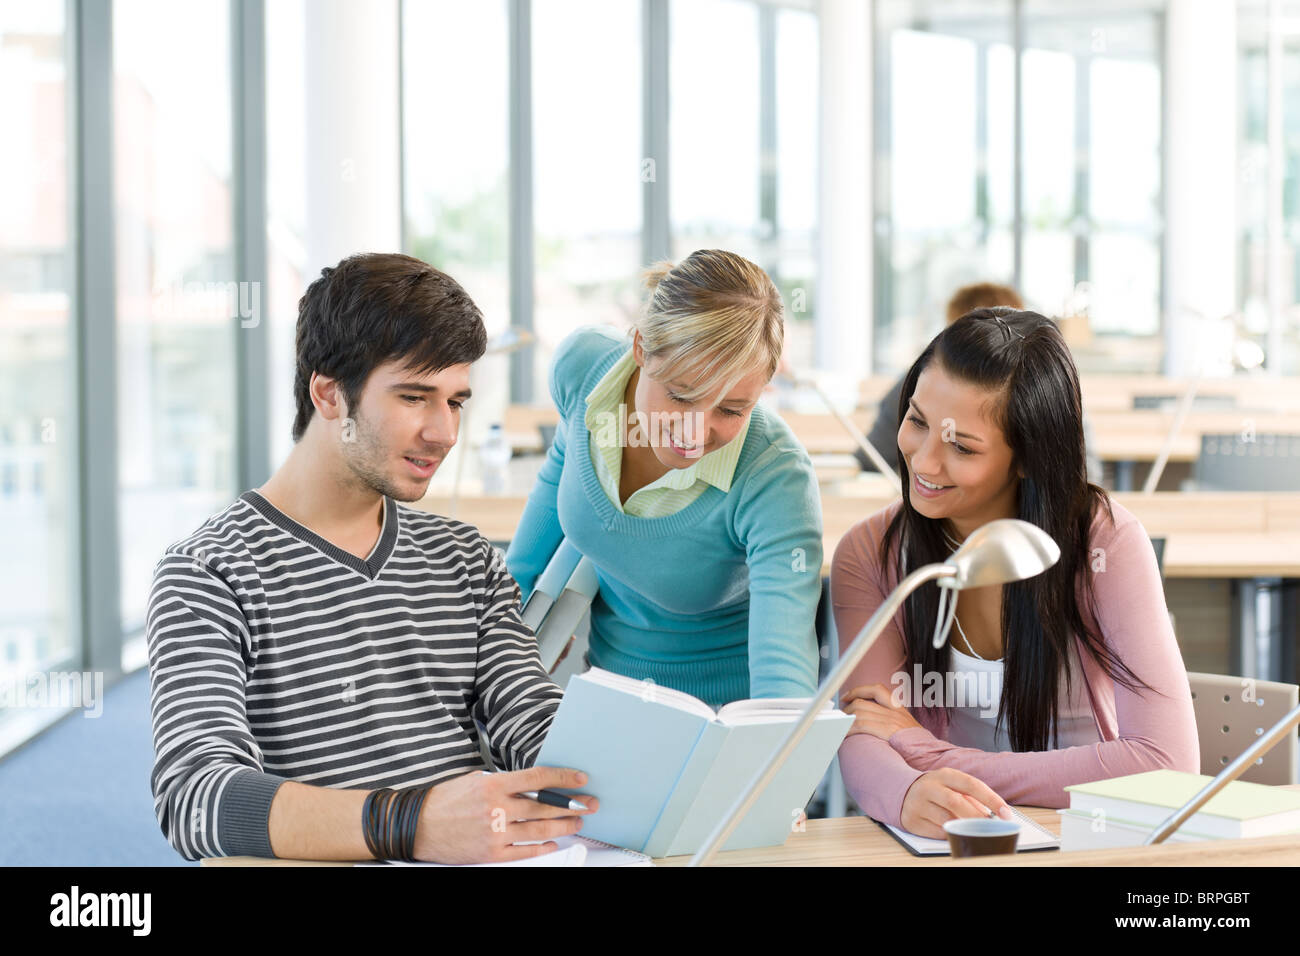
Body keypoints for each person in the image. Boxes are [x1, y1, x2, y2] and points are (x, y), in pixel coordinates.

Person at [146, 253, 597, 863]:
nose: (444, 432)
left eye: (456, 401)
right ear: (330, 394)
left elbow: (532, 725)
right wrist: (412, 823)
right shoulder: (209, 573)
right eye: (415, 397)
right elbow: (197, 800)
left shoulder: (465, 559)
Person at [831, 307, 1198, 838]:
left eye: (961, 447)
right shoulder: (872, 552)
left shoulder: (1105, 543)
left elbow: (1166, 763)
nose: (925, 462)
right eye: (917, 421)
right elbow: (865, 733)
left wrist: (932, 757)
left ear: (1028, 457)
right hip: (953, 838)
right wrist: (907, 792)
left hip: (1090, 835)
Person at [506, 249, 822, 709]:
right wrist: (506, 645)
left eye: (732, 409)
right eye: (681, 395)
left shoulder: (775, 475)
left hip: (723, 724)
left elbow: (783, 671)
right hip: (604, 701)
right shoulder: (582, 367)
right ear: (639, 349)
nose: (694, 432)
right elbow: (549, 502)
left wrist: (774, 764)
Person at [860, 282, 1104, 484]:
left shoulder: (1046, 393)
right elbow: (870, 459)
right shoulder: (923, 379)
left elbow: (1081, 478)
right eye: (917, 421)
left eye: (962, 447)